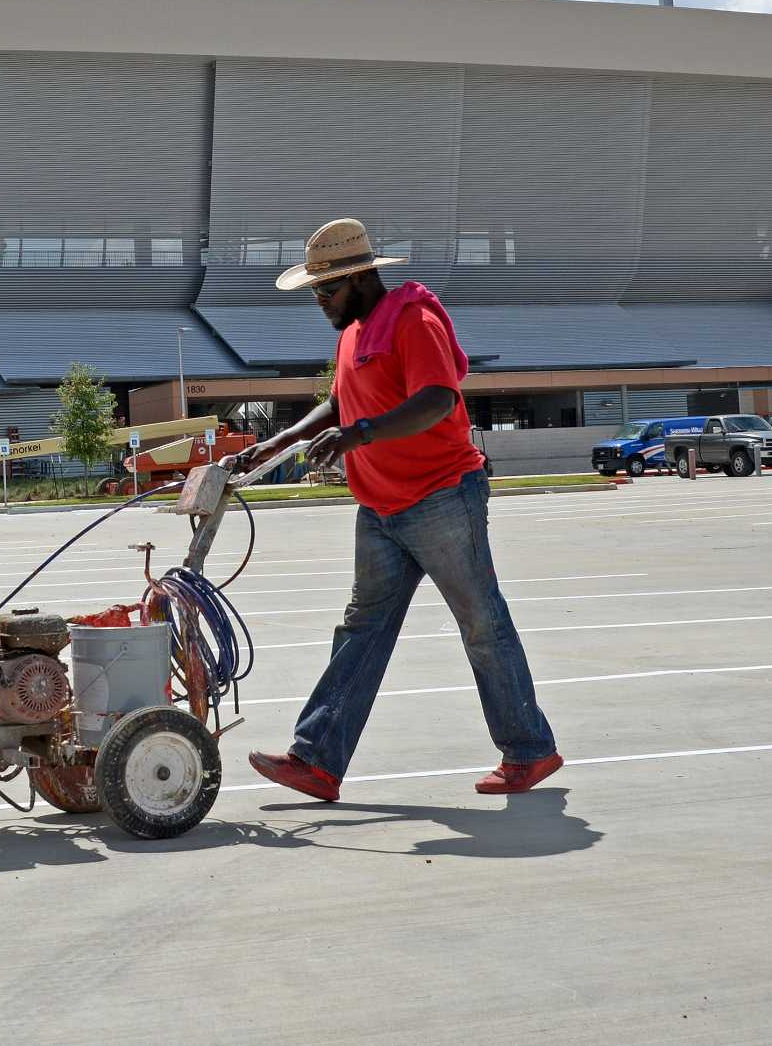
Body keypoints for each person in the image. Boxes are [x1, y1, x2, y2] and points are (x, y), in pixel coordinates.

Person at [232, 218, 561, 801]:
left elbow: (437, 400)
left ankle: (529, 751)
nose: (320, 301)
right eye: (314, 291)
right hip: (381, 505)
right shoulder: (354, 331)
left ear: (359, 278)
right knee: (361, 629)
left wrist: (359, 436)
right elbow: (338, 403)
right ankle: (318, 760)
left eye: (326, 290)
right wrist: (278, 441)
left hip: (440, 498)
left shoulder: (414, 319)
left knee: (481, 623)